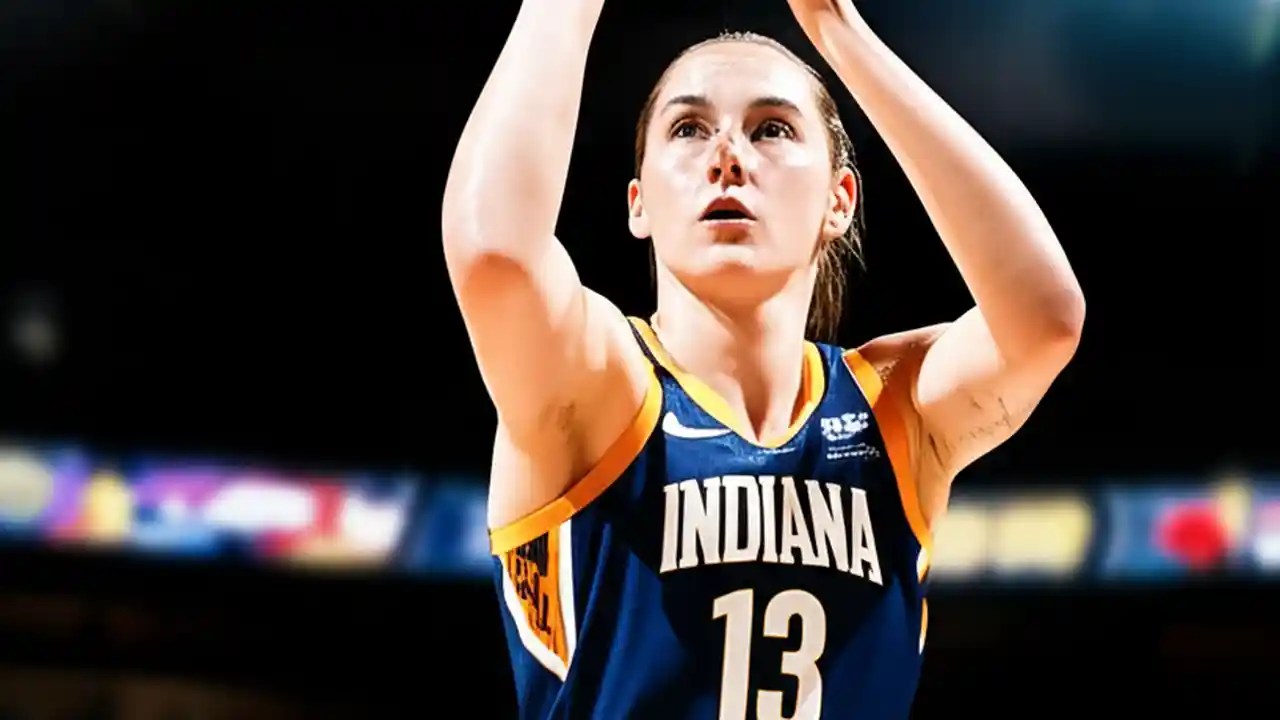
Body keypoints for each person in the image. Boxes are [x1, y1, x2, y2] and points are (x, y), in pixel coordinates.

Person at [441, 0, 1085, 717]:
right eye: (688, 129)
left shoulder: (891, 412)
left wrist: (840, 30)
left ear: (839, 201)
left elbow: (1044, 320)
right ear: (639, 203)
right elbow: (494, 254)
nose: (728, 156)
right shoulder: (600, 385)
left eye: (772, 128)